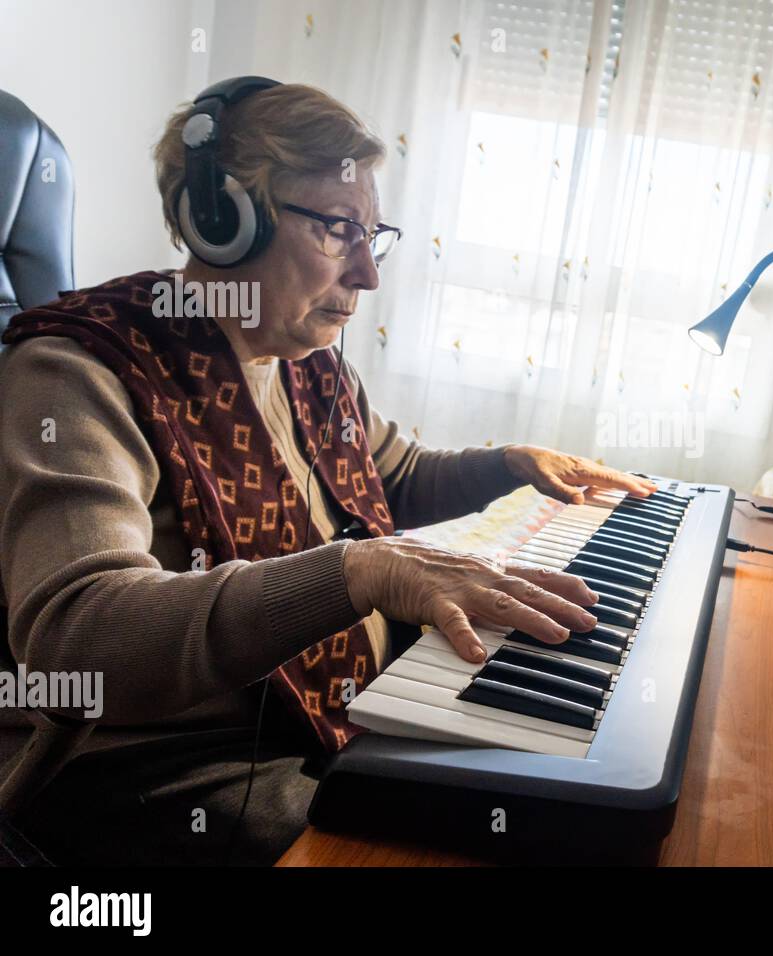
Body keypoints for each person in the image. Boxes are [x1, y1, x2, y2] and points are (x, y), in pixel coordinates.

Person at [0, 79, 656, 865]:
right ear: (222, 222)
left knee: (555, 800)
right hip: (159, 764)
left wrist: (514, 464)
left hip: (317, 717)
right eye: (340, 230)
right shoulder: (78, 374)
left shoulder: (305, 364)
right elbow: (76, 637)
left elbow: (395, 477)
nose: (368, 275)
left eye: (374, 236)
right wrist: (356, 571)